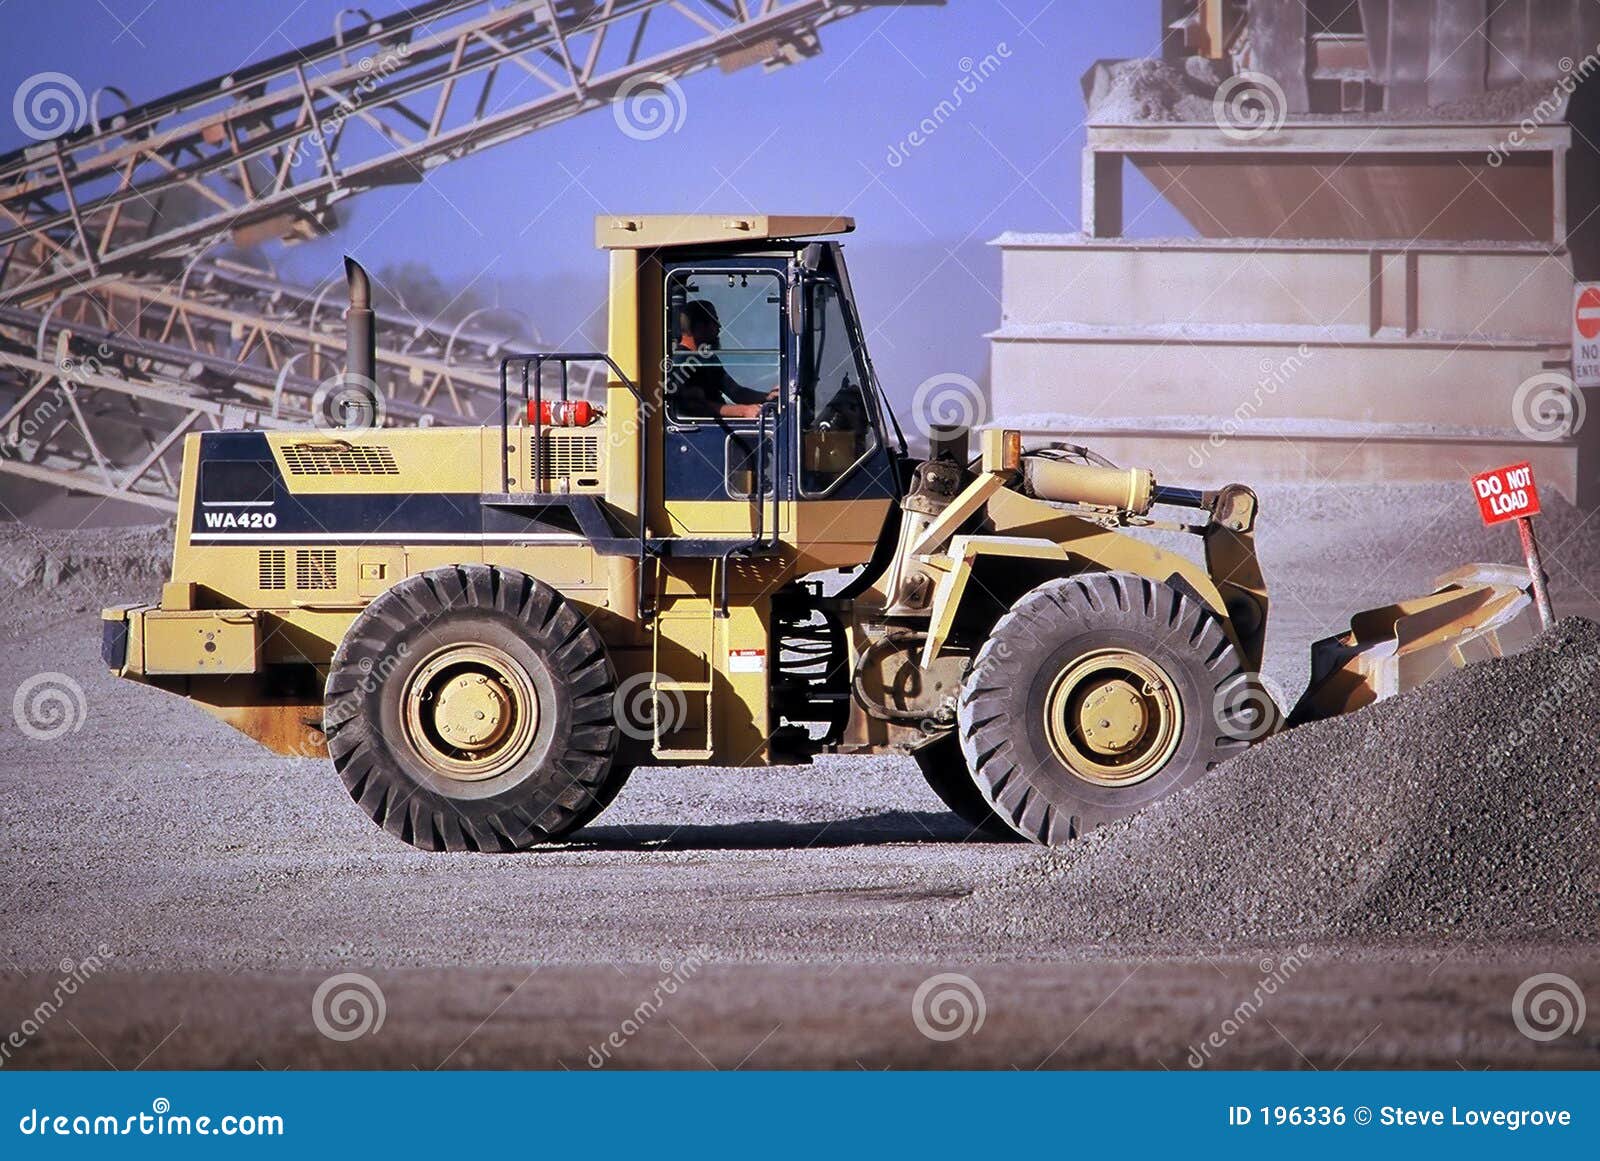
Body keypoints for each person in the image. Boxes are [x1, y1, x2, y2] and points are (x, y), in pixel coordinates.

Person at [667, 299, 779, 420]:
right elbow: (693, 405)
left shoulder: (708, 358)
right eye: (714, 321)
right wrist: (743, 411)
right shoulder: (680, 361)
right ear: (699, 327)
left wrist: (768, 397)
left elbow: (736, 392)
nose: (719, 326)